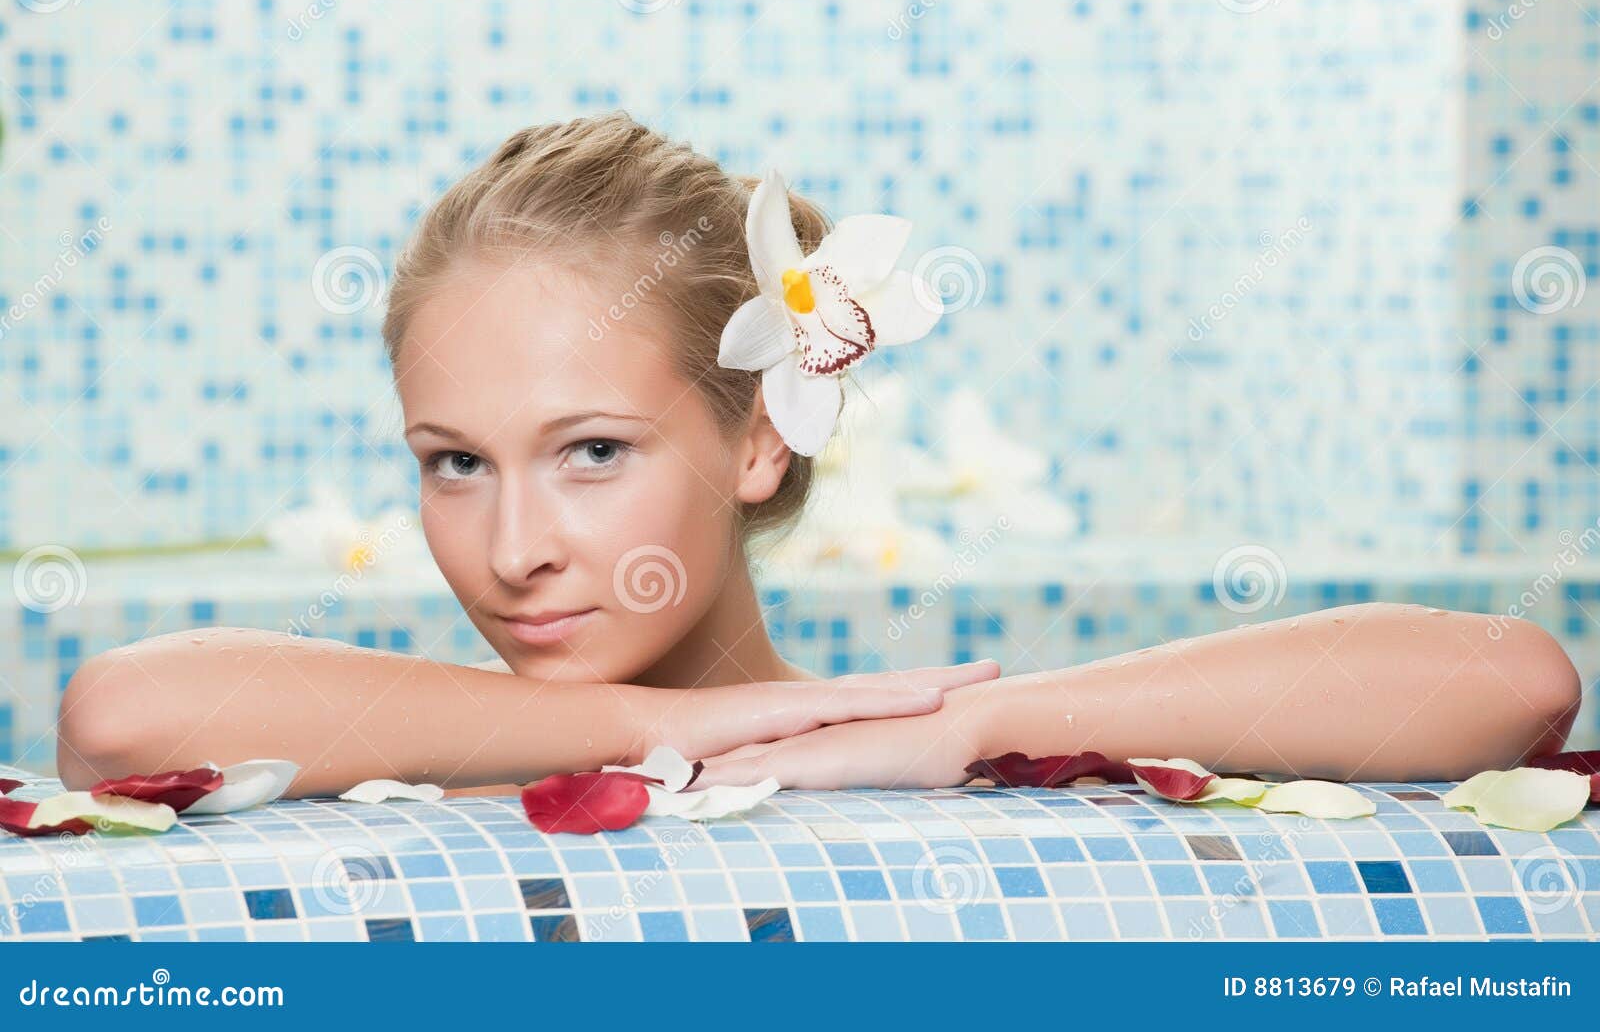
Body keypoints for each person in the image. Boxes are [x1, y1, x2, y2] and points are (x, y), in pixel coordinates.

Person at [56, 112, 1582, 799]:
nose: (511, 544)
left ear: (760, 437)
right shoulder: (389, 768)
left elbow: (1513, 680)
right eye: (454, 462)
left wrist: (961, 725)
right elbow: (123, 713)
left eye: (590, 450)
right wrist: (648, 738)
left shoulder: (915, 753)